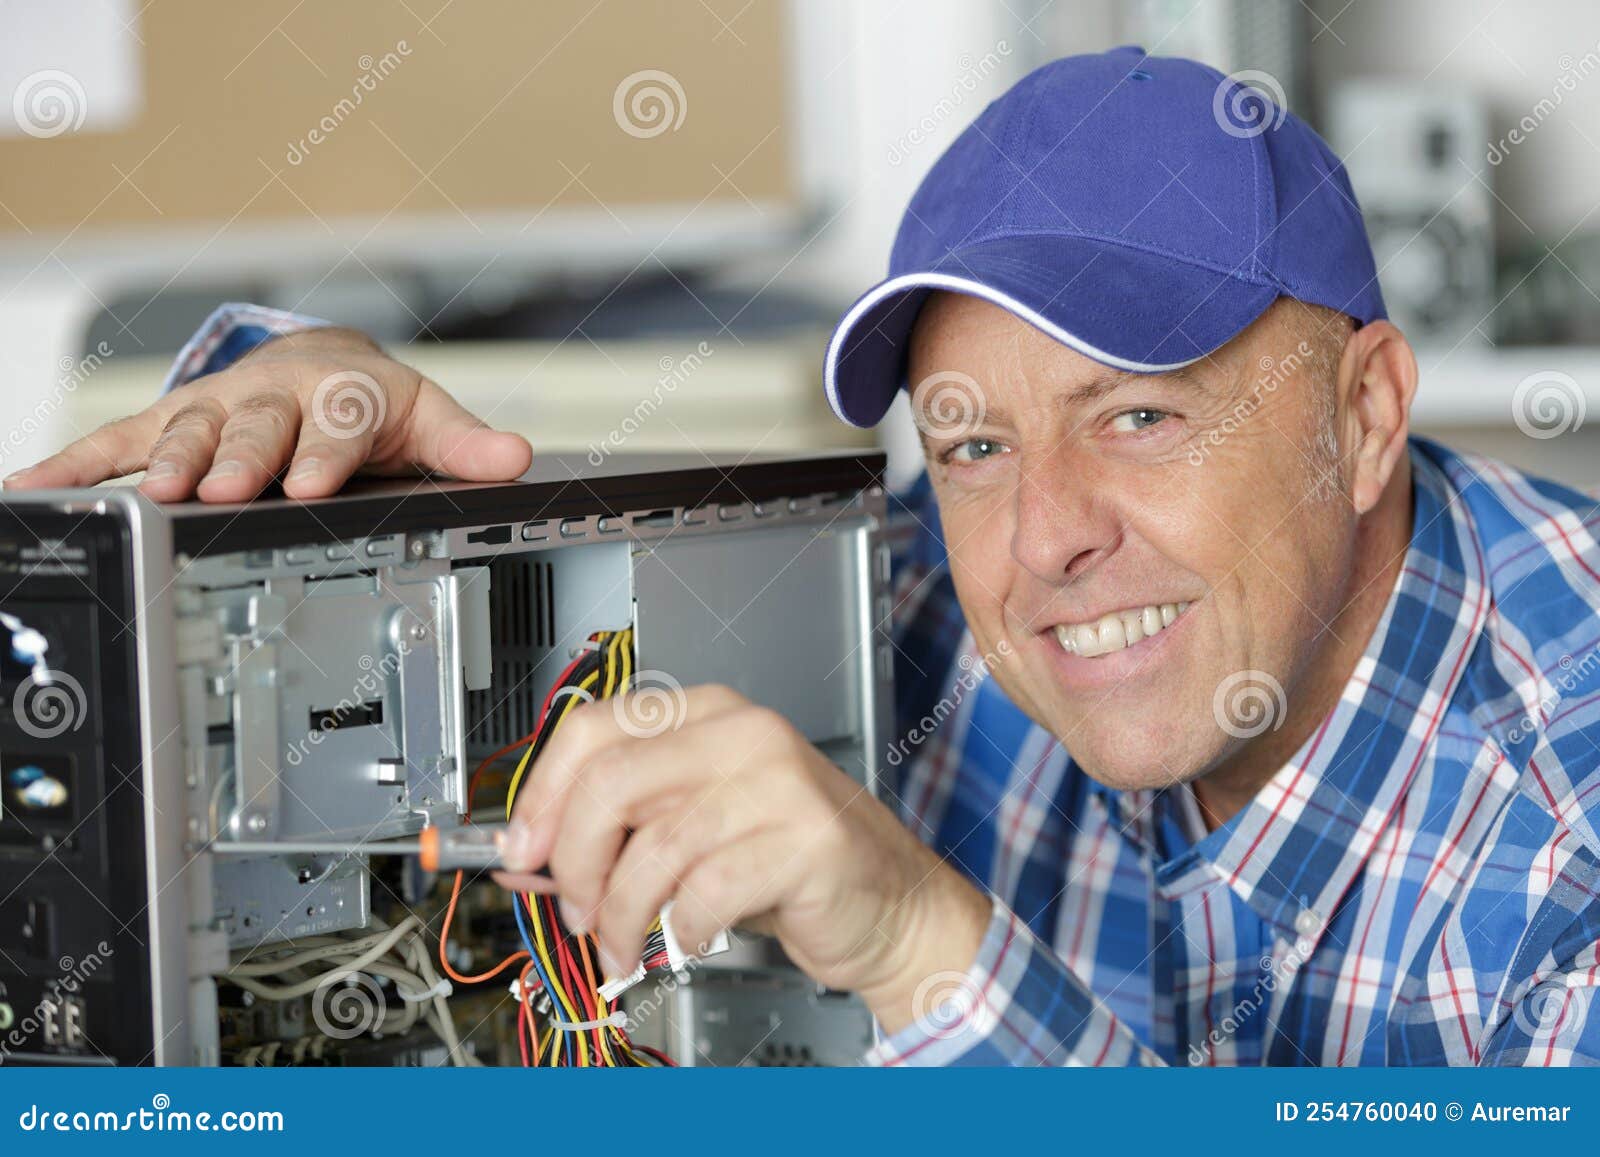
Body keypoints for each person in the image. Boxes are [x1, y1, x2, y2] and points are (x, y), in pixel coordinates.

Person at [10, 48, 1600, 1066]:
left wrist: (921, 944)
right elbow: (570, 587)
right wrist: (308, 391)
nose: (1048, 539)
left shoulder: (1561, 849)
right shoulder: (927, 609)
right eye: (973, 443)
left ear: (1364, 413)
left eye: (1138, 417)